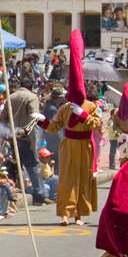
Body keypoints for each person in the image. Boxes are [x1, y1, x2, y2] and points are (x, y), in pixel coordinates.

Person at [42, 31, 98, 226]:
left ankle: (78, 215)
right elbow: (53, 127)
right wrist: (42, 120)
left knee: (82, 178)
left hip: (85, 145)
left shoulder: (91, 107)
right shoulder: (65, 108)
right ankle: (65, 214)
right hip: (68, 144)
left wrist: (82, 114)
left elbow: (98, 125)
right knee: (67, 179)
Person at [7, 79, 45, 205]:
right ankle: (38, 194)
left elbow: (3, 117)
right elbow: (33, 120)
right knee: (33, 166)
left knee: (15, 165)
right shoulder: (32, 97)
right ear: (31, 88)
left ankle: (12, 192)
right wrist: (34, 141)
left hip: (13, 137)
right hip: (26, 138)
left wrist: (6, 135)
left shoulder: (11, 97)